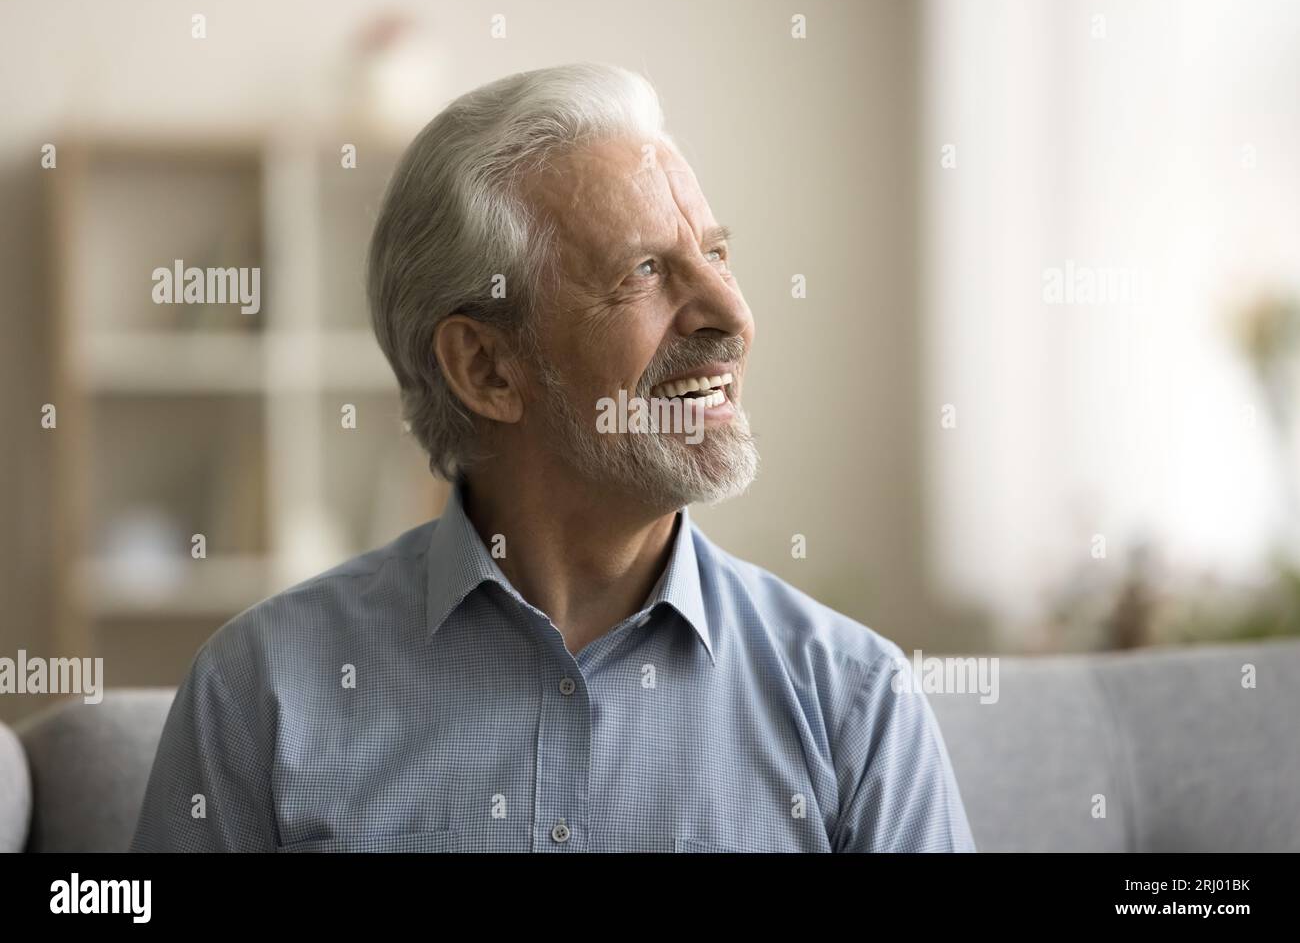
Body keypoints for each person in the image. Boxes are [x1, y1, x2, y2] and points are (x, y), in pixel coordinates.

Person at [132, 62, 975, 853]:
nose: (730, 313)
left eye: (715, 254)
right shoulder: (258, 693)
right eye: (644, 271)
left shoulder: (855, 699)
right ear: (487, 368)